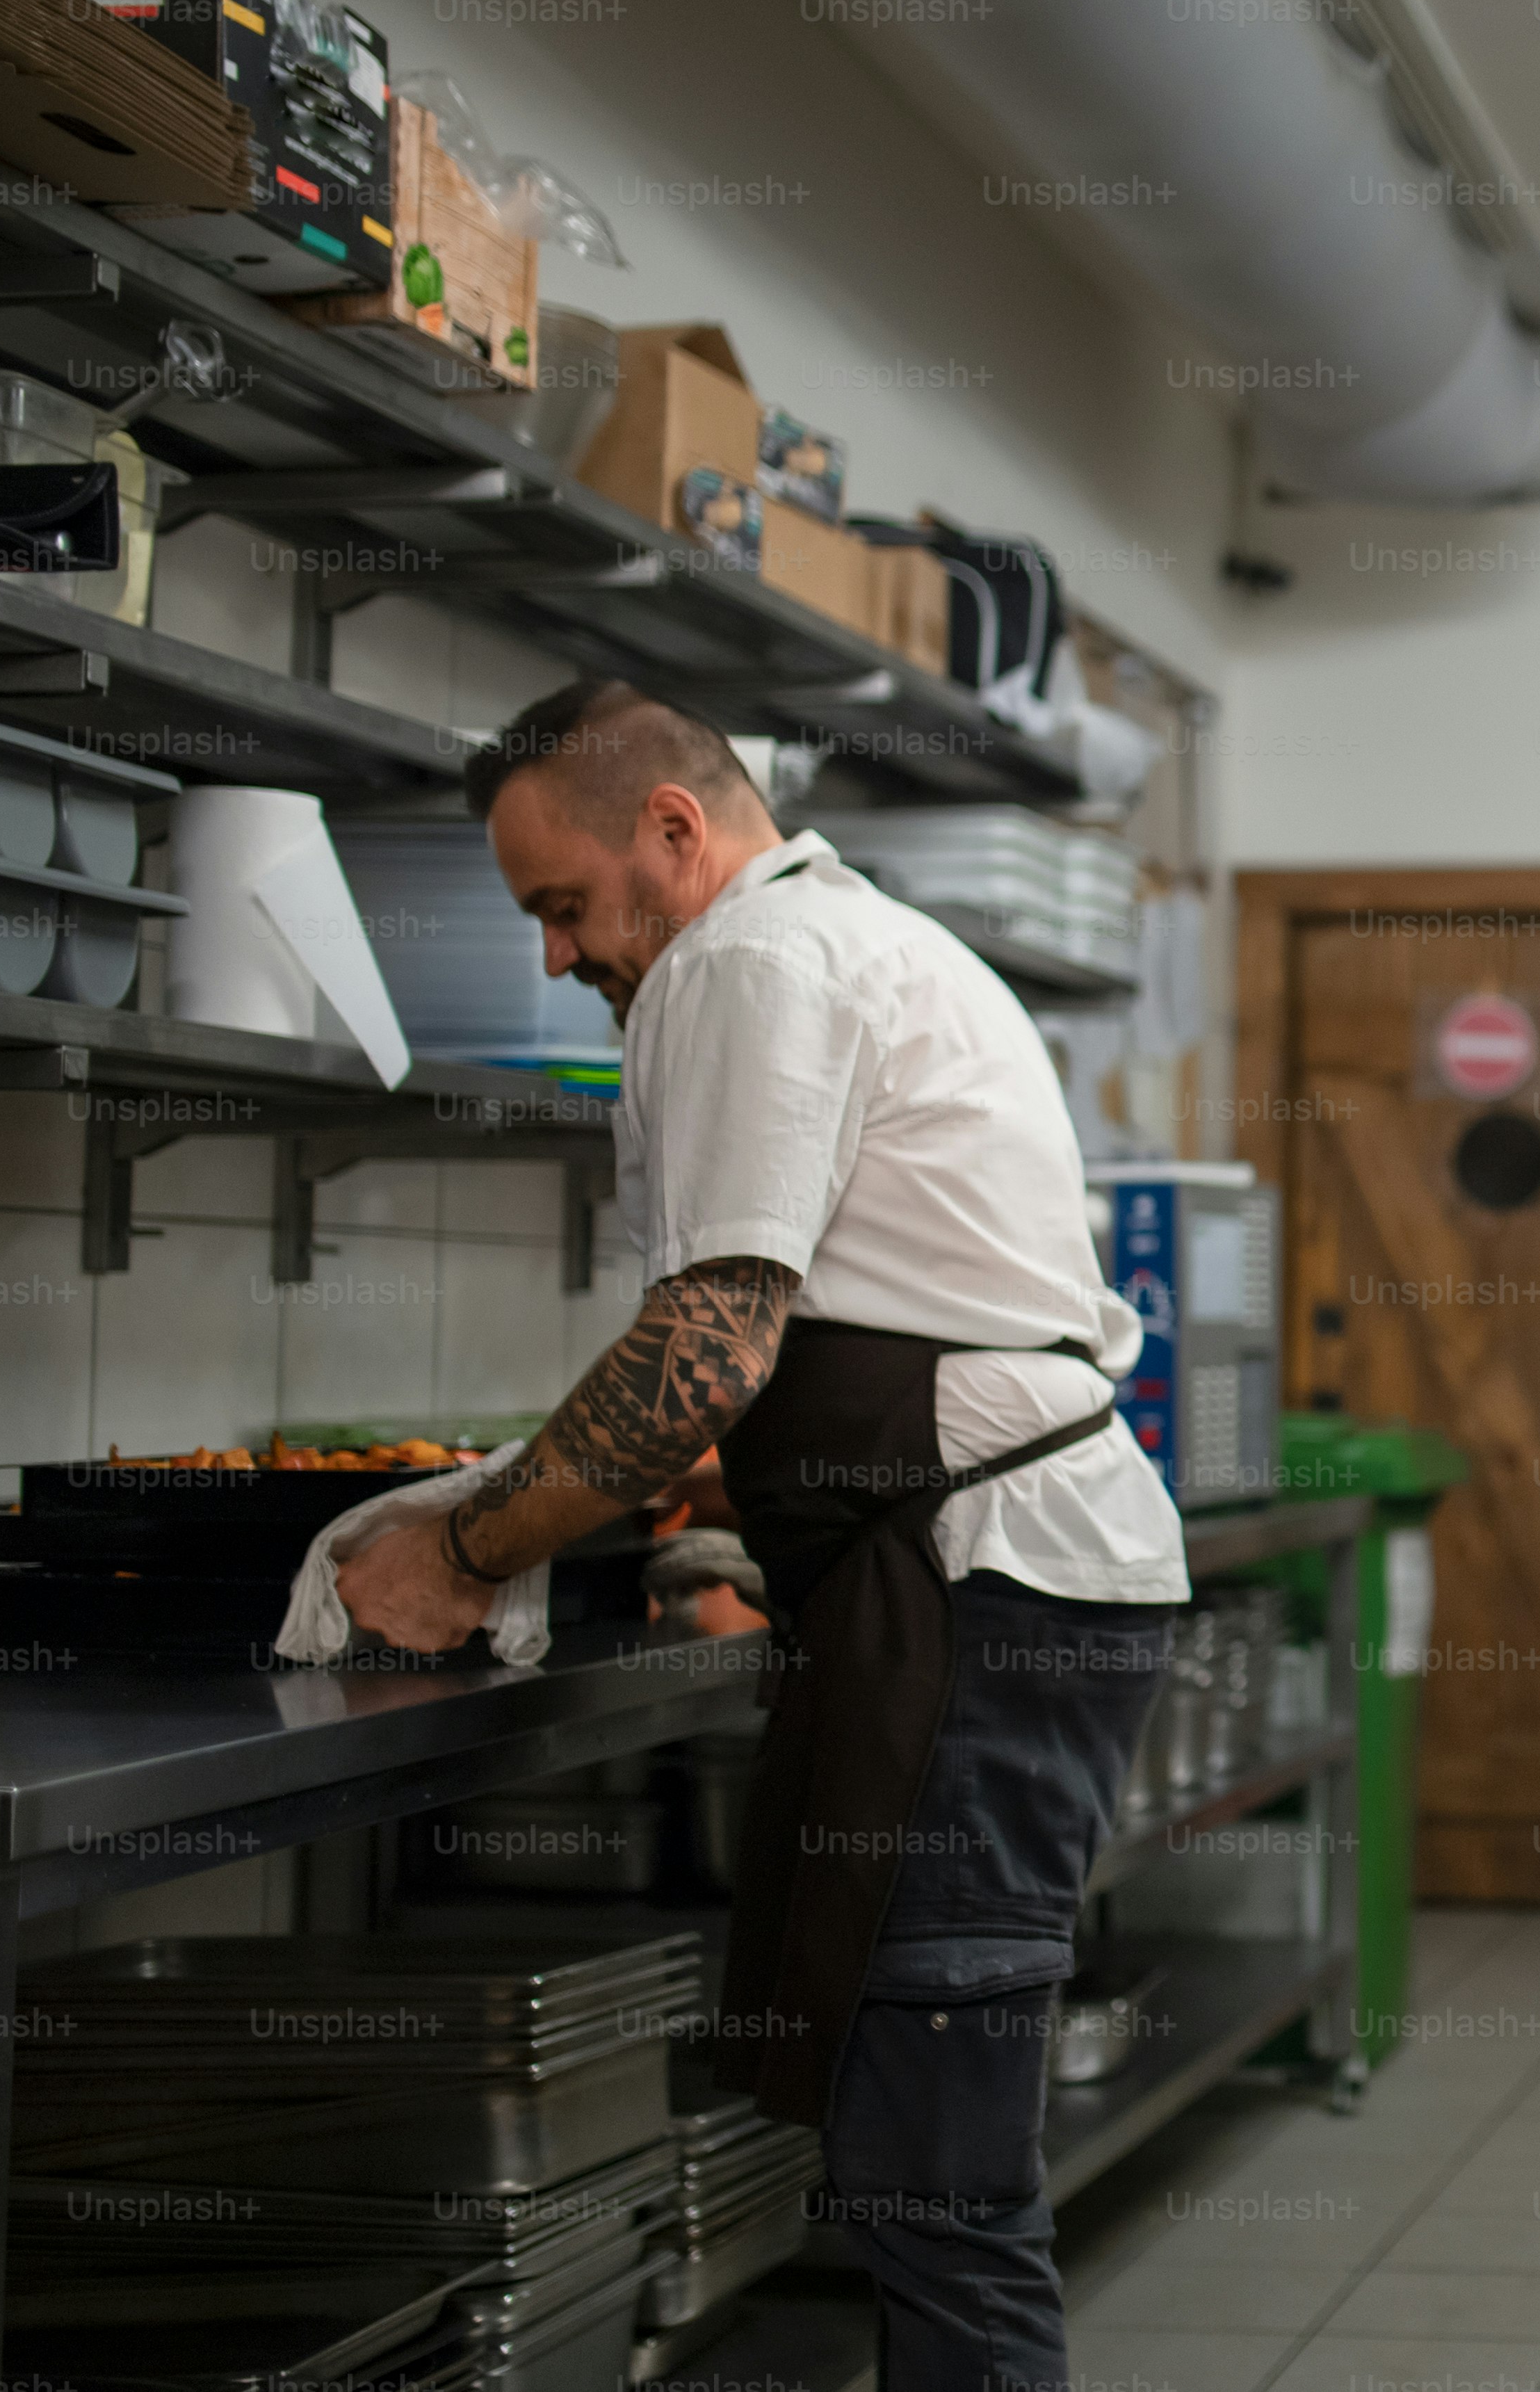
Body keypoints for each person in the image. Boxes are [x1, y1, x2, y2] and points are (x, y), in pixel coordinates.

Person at [337, 679, 1184, 2390]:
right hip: (1001, 1580)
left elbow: (708, 1348)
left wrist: (467, 1551)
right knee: (916, 2163)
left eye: (560, 908)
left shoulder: (747, 961)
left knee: (938, 2185)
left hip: (978, 1599)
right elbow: (862, 1342)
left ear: (673, 832)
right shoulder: (856, 944)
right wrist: (736, 1523)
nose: (555, 959)